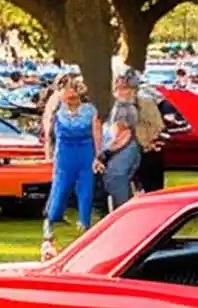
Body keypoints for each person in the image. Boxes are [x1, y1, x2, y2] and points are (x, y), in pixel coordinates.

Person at [42, 78, 102, 245]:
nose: (70, 98)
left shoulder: (90, 111)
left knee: (86, 189)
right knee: (60, 187)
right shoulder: (56, 109)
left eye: (74, 94)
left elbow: (96, 134)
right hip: (64, 154)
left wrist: (98, 155)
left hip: (85, 152)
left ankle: (85, 223)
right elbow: (48, 132)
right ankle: (51, 221)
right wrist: (49, 151)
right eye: (67, 94)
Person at [103, 71, 142, 209]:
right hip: (126, 148)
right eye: (117, 87)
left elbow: (120, 133)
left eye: (124, 88)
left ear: (132, 90)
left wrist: (108, 150)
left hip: (124, 148)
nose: (119, 91)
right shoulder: (122, 106)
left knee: (115, 179)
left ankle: (123, 213)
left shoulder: (126, 108)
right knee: (117, 180)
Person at [133, 82, 167, 193]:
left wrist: (149, 141)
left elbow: (158, 126)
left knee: (150, 181)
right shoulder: (144, 101)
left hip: (148, 147)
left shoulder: (145, 103)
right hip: (146, 146)